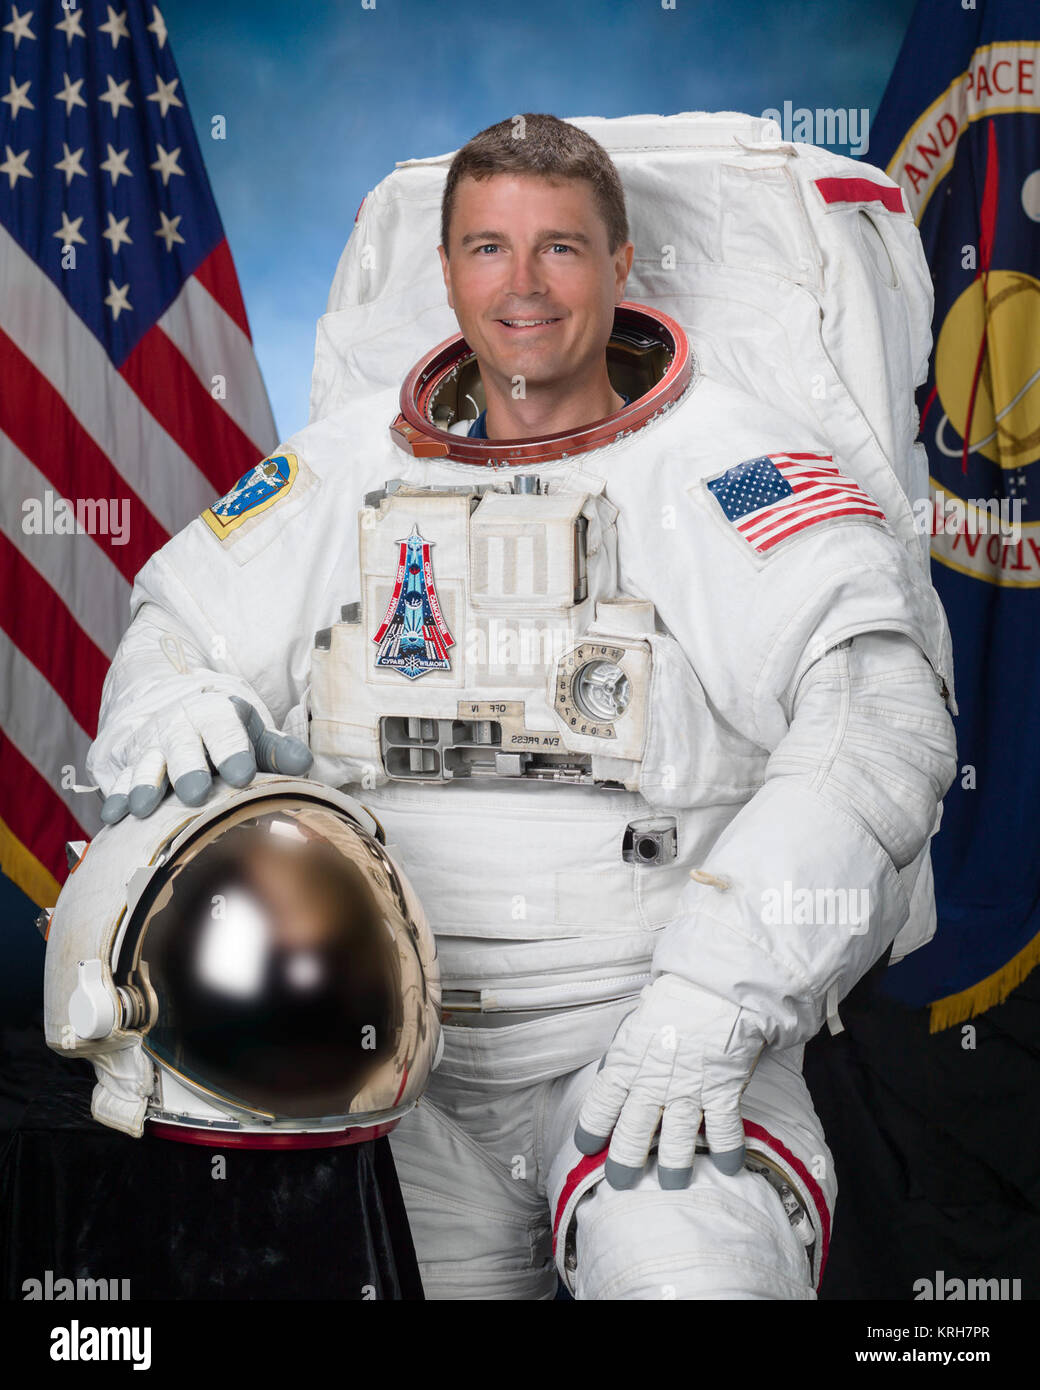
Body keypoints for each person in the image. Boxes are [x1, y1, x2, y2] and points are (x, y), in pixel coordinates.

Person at [86, 113, 957, 1299]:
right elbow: (175, 619)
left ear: (618, 265)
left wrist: (710, 1003)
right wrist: (169, 694)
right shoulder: (343, 468)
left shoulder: (732, 468)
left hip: (644, 1048)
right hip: (389, 1067)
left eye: (560, 248)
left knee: (691, 1280)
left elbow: (879, 726)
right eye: (488, 248)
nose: (523, 284)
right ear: (443, 270)